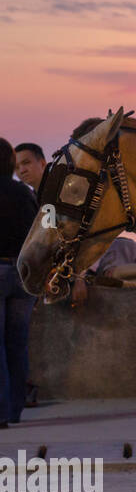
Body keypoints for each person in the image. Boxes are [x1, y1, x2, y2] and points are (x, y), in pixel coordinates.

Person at [0, 138, 38, 426]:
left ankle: (1, 413)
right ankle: (14, 410)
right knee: (18, 343)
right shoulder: (24, 193)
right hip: (22, 275)